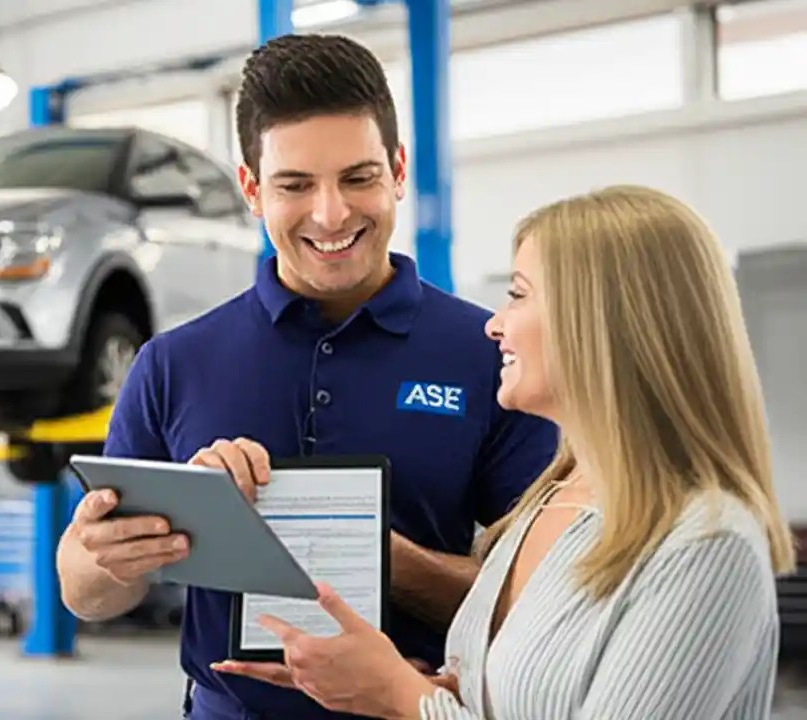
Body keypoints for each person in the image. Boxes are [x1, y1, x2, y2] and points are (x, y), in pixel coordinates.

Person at [55, 33, 559, 719]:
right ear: (252, 190)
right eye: (295, 185)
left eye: (359, 178)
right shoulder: (173, 363)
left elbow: (538, 607)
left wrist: (372, 555)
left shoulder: (486, 354)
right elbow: (89, 593)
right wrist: (102, 555)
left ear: (399, 171)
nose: (331, 214)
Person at [210, 185, 798, 719]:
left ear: (600, 323)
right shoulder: (552, 499)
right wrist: (404, 686)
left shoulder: (705, 543)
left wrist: (403, 697)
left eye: (518, 295)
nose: (494, 325)